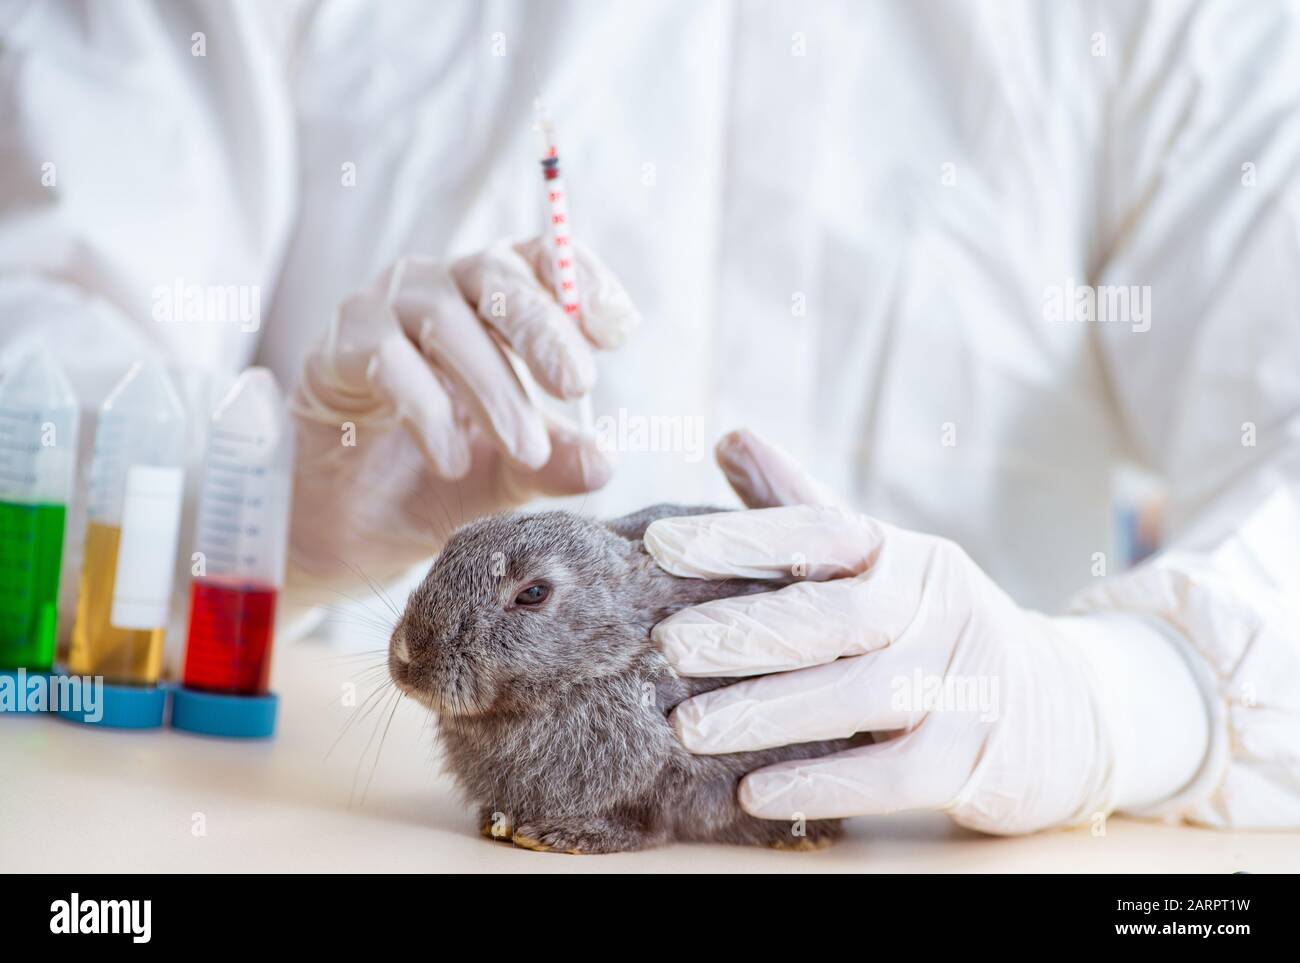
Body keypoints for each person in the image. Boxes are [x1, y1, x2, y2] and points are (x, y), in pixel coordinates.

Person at [2, 0, 1297, 834]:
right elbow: (39, 340)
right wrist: (264, 515)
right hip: (333, 820)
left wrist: (1121, 699)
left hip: (935, 844)